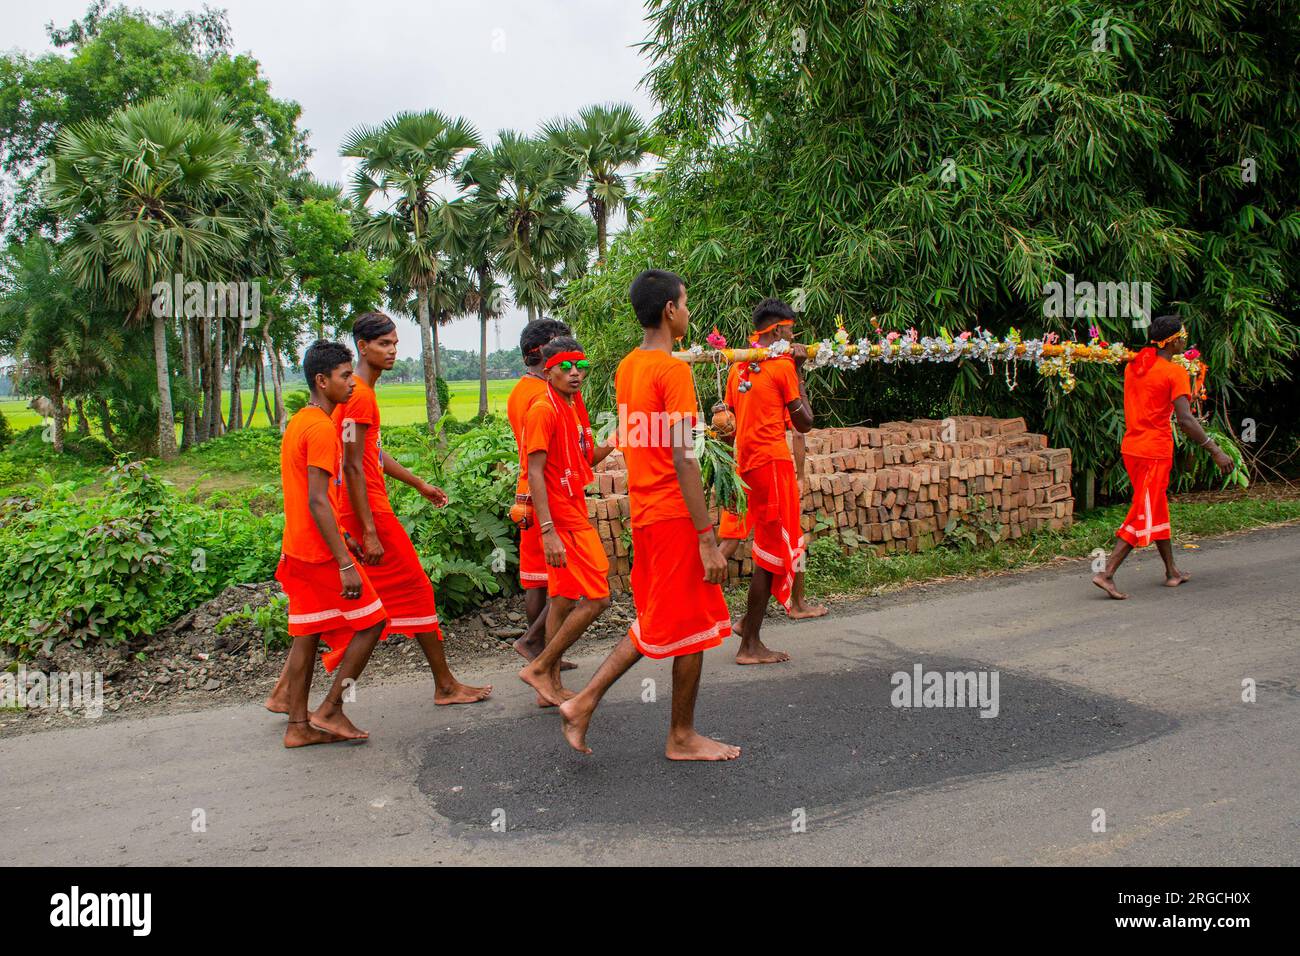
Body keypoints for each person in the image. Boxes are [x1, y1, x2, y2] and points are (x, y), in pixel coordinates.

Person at [558, 269, 740, 761]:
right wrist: (706, 534)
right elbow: (684, 456)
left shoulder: (626, 367)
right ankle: (602, 707)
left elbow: (637, 441)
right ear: (669, 311)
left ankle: (670, 728)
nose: (688, 312)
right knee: (667, 619)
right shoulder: (672, 370)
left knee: (685, 621)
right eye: (686, 303)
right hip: (674, 514)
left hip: (647, 511)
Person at [267, 315, 492, 710]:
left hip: (359, 510)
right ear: (362, 346)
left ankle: (285, 692)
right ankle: (444, 685)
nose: (391, 351)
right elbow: (352, 465)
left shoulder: (354, 393)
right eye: (383, 344)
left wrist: (417, 482)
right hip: (366, 511)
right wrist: (369, 530)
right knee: (417, 590)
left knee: (330, 607)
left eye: (394, 344)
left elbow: (368, 452)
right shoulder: (358, 396)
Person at [272, 340, 386, 747]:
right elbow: (317, 498)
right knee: (373, 622)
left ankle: (298, 727)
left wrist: (346, 538)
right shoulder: (321, 428)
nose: (352, 383)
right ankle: (332, 709)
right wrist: (343, 560)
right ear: (322, 381)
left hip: (298, 547)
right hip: (320, 554)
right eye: (343, 376)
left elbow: (316, 497)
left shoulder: (301, 422)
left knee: (308, 633)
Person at [1092, 315, 1233, 599]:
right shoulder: (1174, 373)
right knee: (1143, 511)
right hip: (1154, 451)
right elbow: (1186, 420)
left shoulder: (1136, 365)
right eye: (1182, 336)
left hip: (1132, 448)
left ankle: (1172, 571)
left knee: (1154, 506)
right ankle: (1107, 573)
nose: (1185, 340)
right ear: (1173, 341)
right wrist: (1215, 449)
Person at [715, 298, 815, 664]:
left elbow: (727, 427)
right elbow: (804, 422)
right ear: (776, 331)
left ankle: (746, 622)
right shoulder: (783, 366)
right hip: (772, 464)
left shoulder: (737, 368)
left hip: (746, 465)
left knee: (766, 548)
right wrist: (799, 370)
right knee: (772, 554)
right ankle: (750, 644)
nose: (793, 336)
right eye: (790, 330)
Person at [516, 336, 615, 706]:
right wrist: (548, 532)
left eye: (580, 367)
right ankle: (541, 667)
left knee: (561, 599)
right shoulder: (542, 409)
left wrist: (615, 440)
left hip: (570, 509)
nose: (575, 374)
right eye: (565, 368)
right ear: (548, 370)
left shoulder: (567, 406)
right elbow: (535, 473)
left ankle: (549, 686)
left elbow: (580, 461)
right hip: (563, 520)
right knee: (598, 598)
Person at [506, 318, 581, 672]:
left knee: (538, 577)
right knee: (566, 577)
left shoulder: (523, 390)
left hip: (529, 496)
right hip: (550, 495)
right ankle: (538, 647)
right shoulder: (545, 396)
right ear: (545, 352)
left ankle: (544, 652)